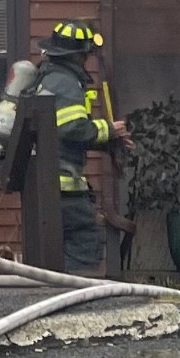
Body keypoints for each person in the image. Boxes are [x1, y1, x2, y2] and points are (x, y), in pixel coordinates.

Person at [35, 20, 129, 275]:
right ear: (77, 54)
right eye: (86, 54)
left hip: (46, 186)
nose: (88, 59)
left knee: (54, 250)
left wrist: (108, 142)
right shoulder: (65, 82)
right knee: (84, 243)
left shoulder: (46, 77)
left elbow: (60, 131)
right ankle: (75, 301)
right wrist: (108, 129)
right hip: (63, 186)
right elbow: (71, 128)